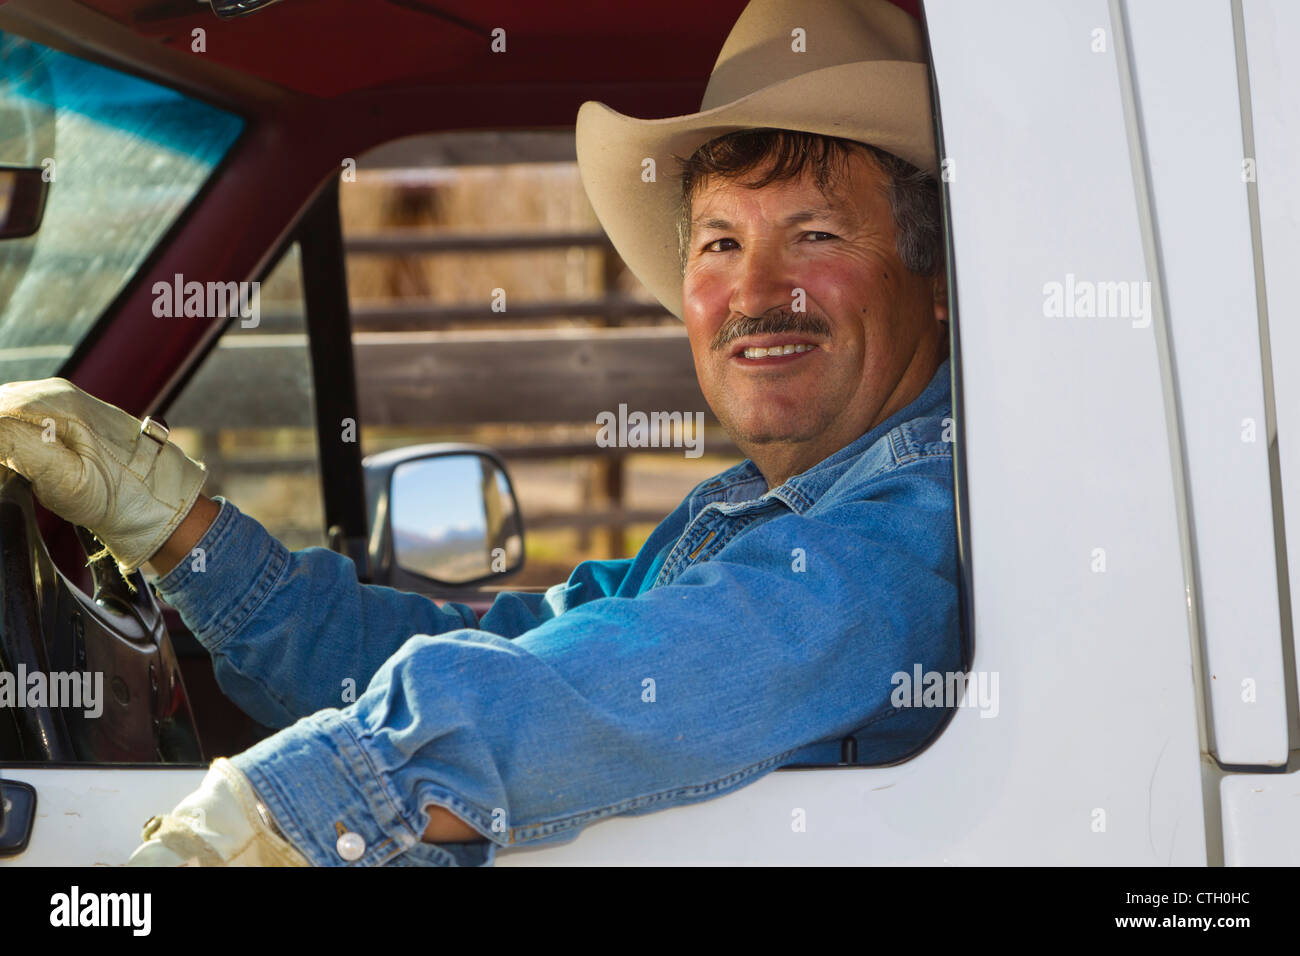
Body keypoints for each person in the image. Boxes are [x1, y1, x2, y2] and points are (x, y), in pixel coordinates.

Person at [0, 0, 961, 866]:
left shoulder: (919, 523)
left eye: (817, 236)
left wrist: (296, 809)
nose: (755, 294)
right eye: (720, 242)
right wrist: (178, 530)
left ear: (937, 280)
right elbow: (530, 656)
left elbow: (623, 682)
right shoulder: (753, 515)